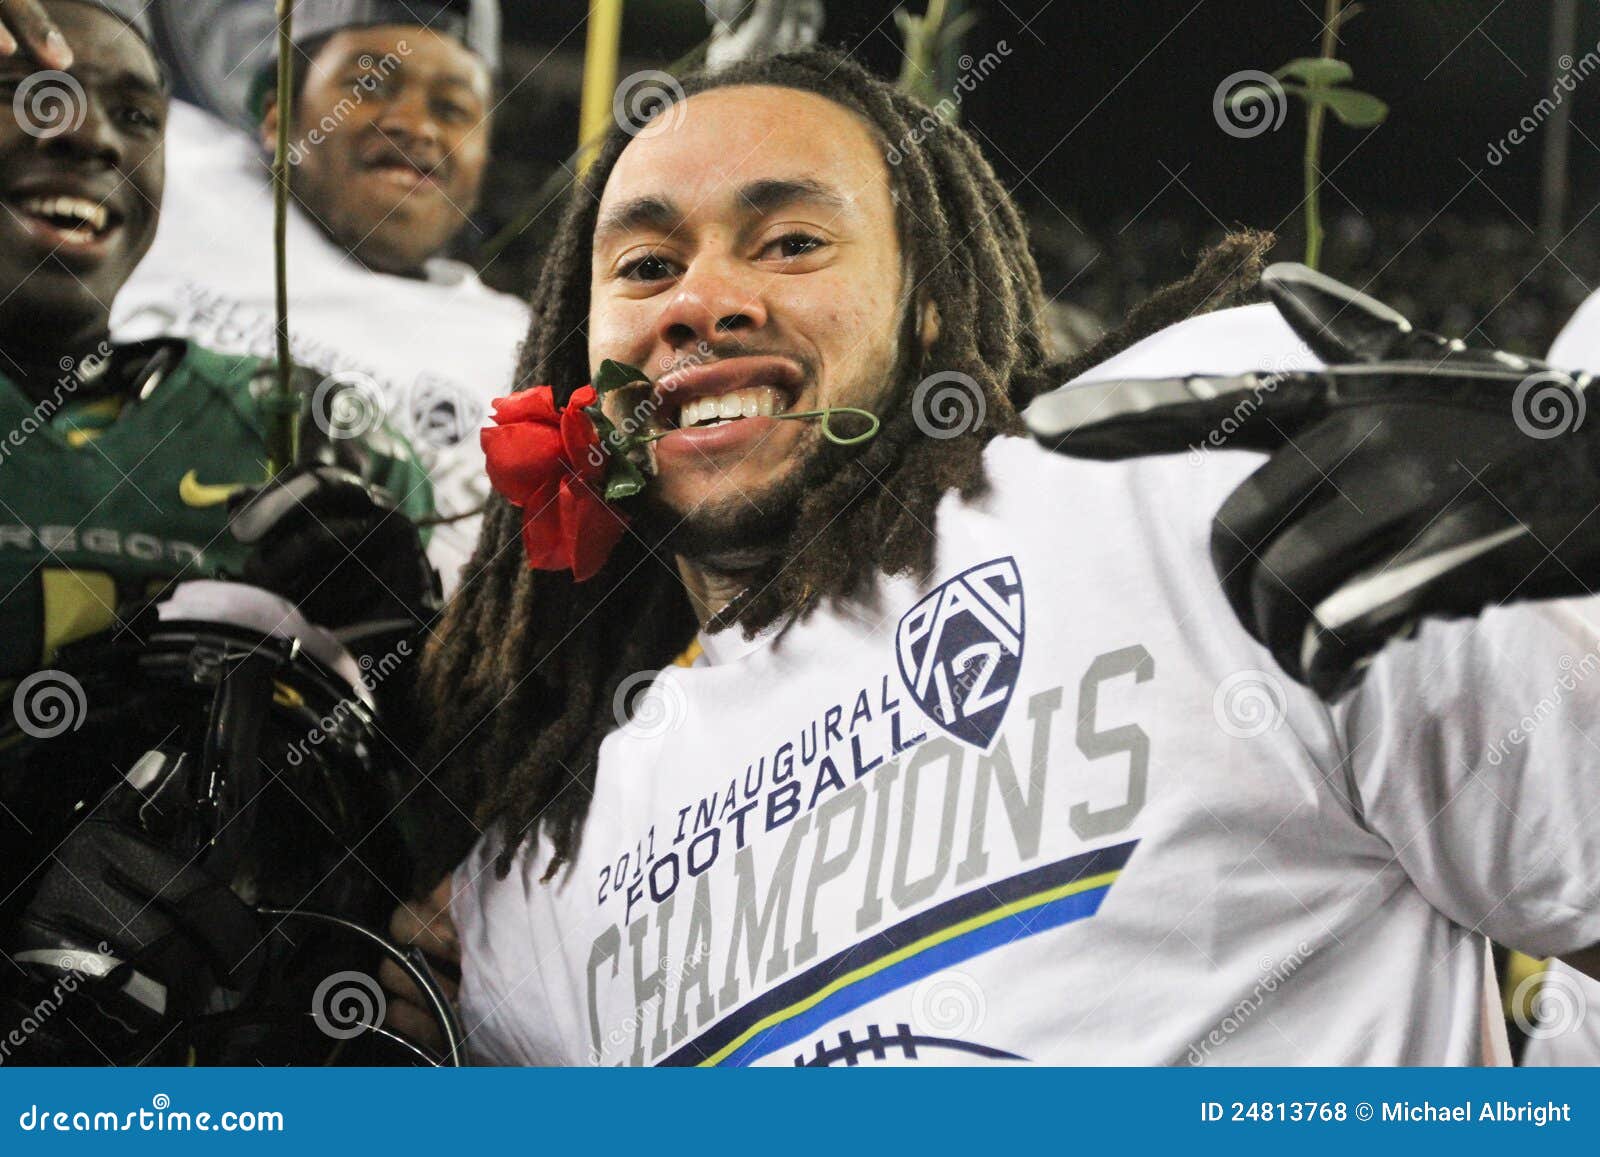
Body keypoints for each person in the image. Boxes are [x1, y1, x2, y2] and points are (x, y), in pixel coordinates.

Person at [399, 49, 1600, 1066]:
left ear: (929, 299)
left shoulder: (1196, 472)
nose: (699, 298)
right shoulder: (544, 879)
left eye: (791, 241)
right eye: (646, 266)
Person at [0, 0, 440, 1063]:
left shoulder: (311, 427)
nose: (92, 137)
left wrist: (413, 671)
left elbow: (446, 866)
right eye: (29, 95)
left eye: (136, 114)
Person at [111, 0, 524, 594]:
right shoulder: (177, 166)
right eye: (369, 85)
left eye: (453, 108)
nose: (415, 124)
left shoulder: (516, 351)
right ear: (277, 115)